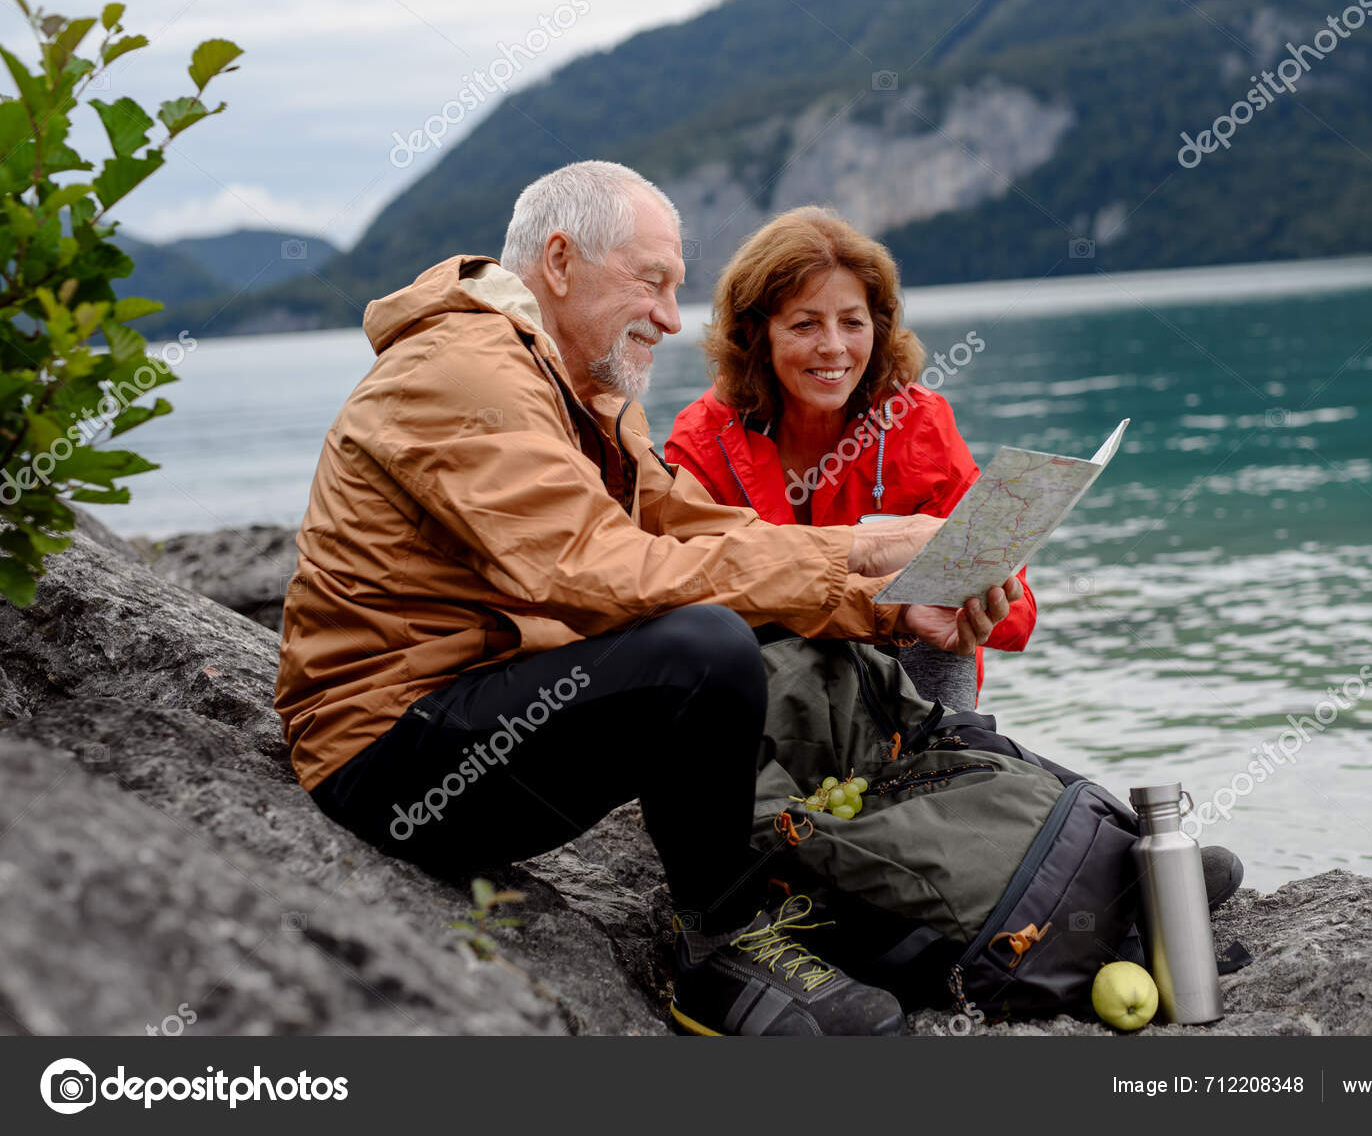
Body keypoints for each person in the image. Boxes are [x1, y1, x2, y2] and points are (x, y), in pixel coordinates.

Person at [273, 161, 1025, 1037]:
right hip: (387, 757)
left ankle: (817, 906)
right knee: (699, 650)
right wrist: (857, 565)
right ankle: (717, 945)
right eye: (653, 281)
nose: (672, 316)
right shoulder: (466, 372)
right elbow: (597, 568)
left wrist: (886, 584)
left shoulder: (577, 388)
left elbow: (702, 530)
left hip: (478, 708)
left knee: (714, 639)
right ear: (560, 260)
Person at [665, 207, 1036, 711]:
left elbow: (1018, 616)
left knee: (942, 641)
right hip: (764, 699)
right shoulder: (702, 438)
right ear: (755, 334)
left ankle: (932, 767)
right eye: (805, 324)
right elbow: (685, 598)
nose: (834, 348)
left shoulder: (919, 423)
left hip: (902, 700)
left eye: (852, 322)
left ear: (877, 328)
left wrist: (983, 598)